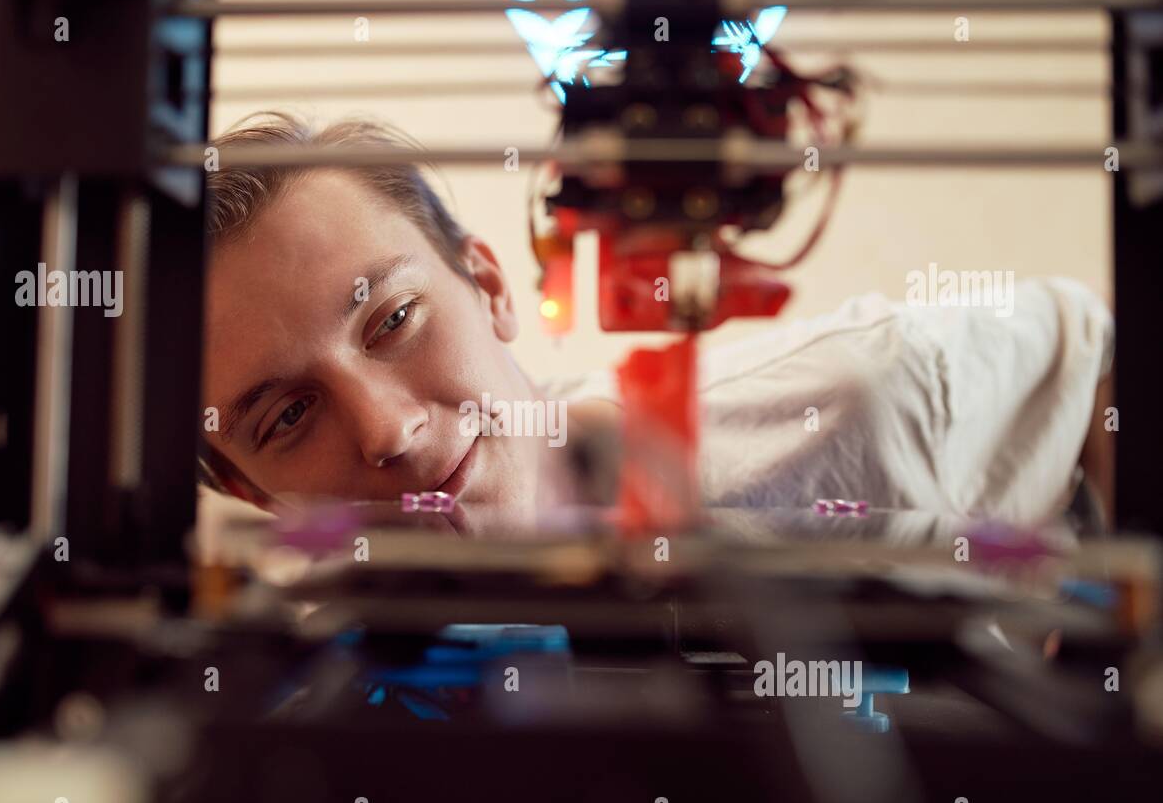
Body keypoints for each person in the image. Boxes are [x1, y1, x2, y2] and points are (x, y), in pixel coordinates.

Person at [199, 112, 1114, 532]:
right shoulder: (295, 728)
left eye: (395, 317)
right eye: (286, 417)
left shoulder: (865, 395)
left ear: (488, 283)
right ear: (252, 493)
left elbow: (1104, 363)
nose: (388, 428)